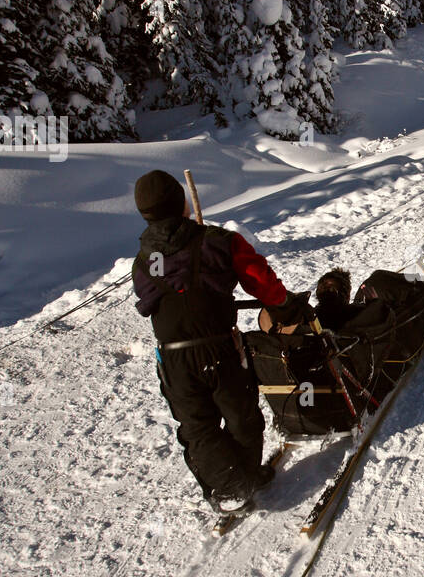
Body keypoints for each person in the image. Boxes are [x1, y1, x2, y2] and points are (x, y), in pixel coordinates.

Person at [131, 169, 310, 513]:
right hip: (220, 349)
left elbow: (147, 301)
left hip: (173, 359)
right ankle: (233, 486)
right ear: (179, 202)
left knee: (198, 427)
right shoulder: (218, 240)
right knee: (242, 416)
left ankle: (235, 482)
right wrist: (282, 304)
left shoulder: (144, 261)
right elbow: (260, 280)